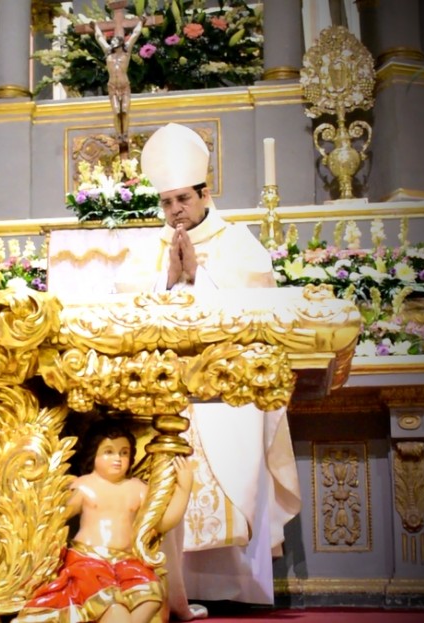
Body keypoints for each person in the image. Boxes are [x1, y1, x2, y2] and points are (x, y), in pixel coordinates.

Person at [120, 123, 302, 616]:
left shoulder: (239, 243)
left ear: (205, 193)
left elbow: (259, 306)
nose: (174, 210)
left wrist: (200, 277)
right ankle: (177, 588)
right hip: (169, 391)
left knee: (234, 467)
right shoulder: (150, 249)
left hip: (228, 394)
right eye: (166, 202)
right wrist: (168, 278)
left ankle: (236, 586)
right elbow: (127, 307)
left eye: (182, 198)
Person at [15, 419, 193, 623]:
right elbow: (57, 516)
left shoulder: (137, 488)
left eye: (124, 452)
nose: (117, 458)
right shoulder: (84, 485)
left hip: (127, 562)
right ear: (94, 455)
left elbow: (161, 523)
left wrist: (183, 490)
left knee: (151, 595)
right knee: (113, 607)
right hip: (88, 561)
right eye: (109, 452)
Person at [93, 20, 144, 147]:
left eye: (116, 45)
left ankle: (125, 133)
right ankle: (118, 134)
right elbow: (99, 38)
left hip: (124, 85)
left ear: (120, 45)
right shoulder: (108, 53)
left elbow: (135, 34)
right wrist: (95, 26)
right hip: (113, 86)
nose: (114, 47)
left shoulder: (126, 54)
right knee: (116, 111)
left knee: (125, 110)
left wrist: (141, 22)